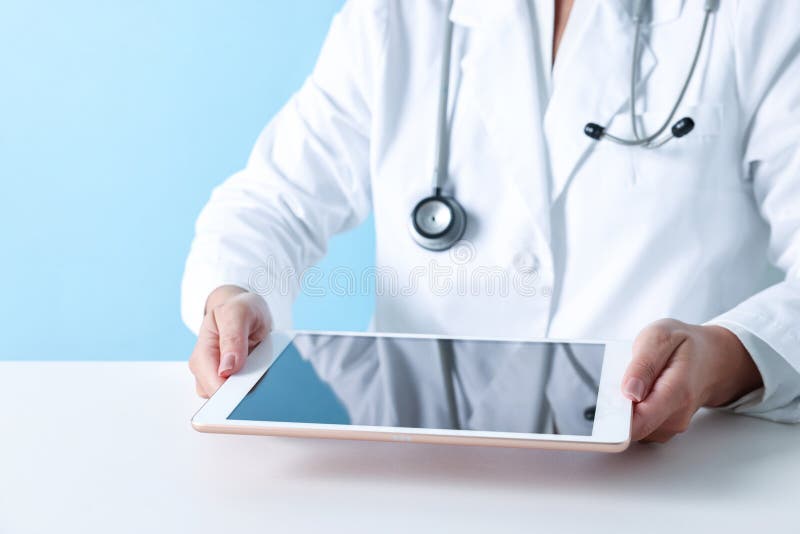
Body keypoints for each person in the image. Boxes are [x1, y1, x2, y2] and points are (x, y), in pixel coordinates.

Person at [182, 0, 800, 443]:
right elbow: (272, 202)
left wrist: (725, 357)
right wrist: (233, 291)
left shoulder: (759, 17)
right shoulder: (395, 17)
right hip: (417, 461)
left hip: (674, 463)